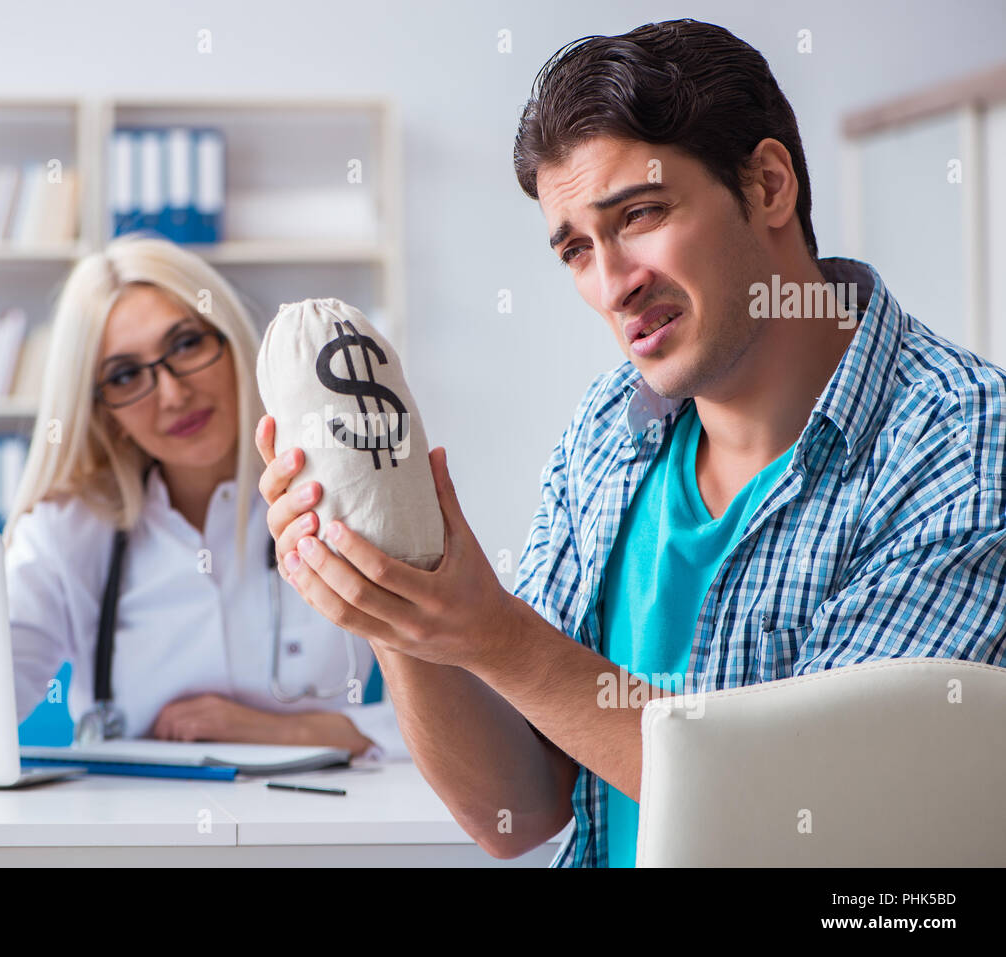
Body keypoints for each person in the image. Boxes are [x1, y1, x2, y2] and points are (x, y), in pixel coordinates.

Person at [254, 18, 1006, 866]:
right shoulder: (609, 429)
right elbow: (518, 810)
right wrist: (399, 605)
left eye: (639, 214)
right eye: (576, 248)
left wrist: (494, 634)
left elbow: (825, 818)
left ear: (767, 185)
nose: (613, 284)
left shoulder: (964, 445)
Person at [0, 235, 404, 759]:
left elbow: (456, 711)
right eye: (124, 376)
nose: (173, 394)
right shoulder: (67, 532)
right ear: (104, 412)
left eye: (187, 344)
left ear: (233, 341)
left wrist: (292, 730)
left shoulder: (341, 491)